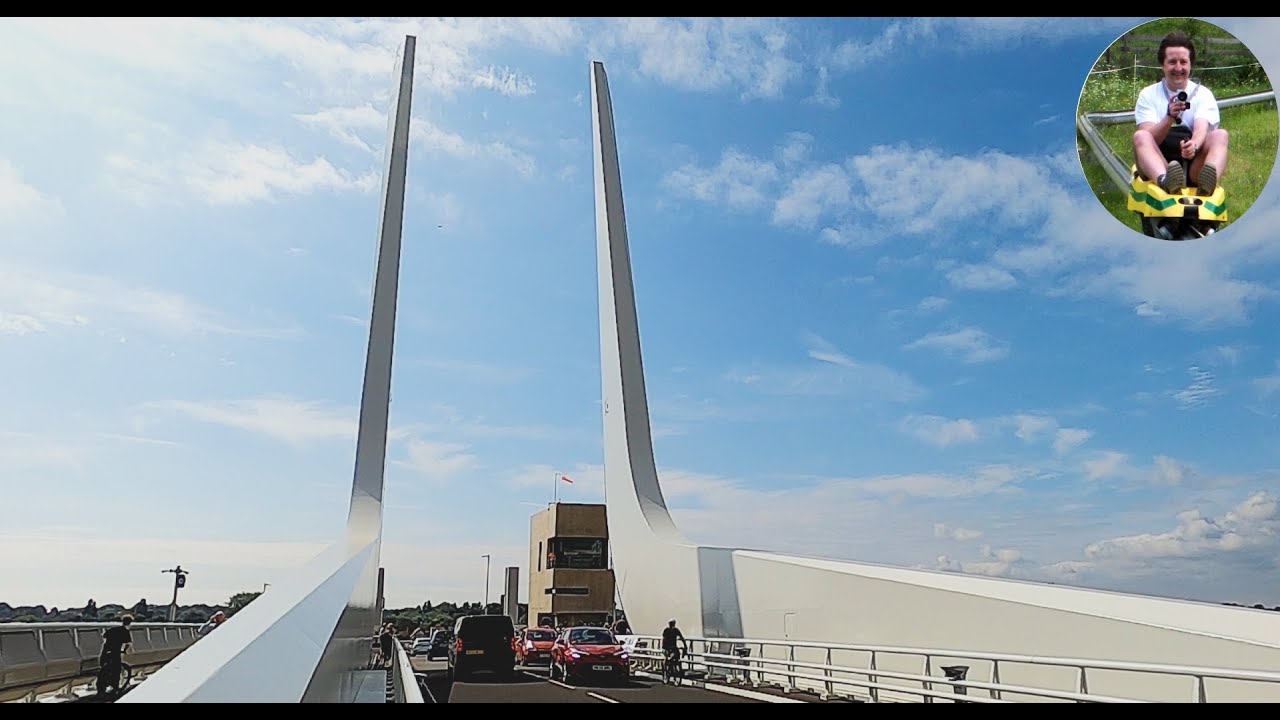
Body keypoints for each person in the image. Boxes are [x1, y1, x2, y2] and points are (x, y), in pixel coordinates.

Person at [1132, 31, 1228, 195]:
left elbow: (1201, 129)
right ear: (1163, 65)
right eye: (1172, 62)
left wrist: (1194, 146)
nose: (1178, 68)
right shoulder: (1148, 95)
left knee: (1220, 135)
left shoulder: (1203, 94)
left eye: (1183, 62)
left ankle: (1207, 186)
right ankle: (1165, 181)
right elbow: (1147, 139)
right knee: (1140, 136)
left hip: (1192, 166)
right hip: (1159, 162)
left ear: (1190, 65)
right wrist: (1169, 117)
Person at [97, 614, 134, 696]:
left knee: (104, 668)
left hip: (105, 651)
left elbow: (104, 635)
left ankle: (100, 688)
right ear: (129, 623)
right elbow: (128, 644)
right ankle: (115, 688)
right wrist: (124, 651)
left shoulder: (113, 629)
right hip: (115, 652)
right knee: (116, 670)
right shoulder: (126, 631)